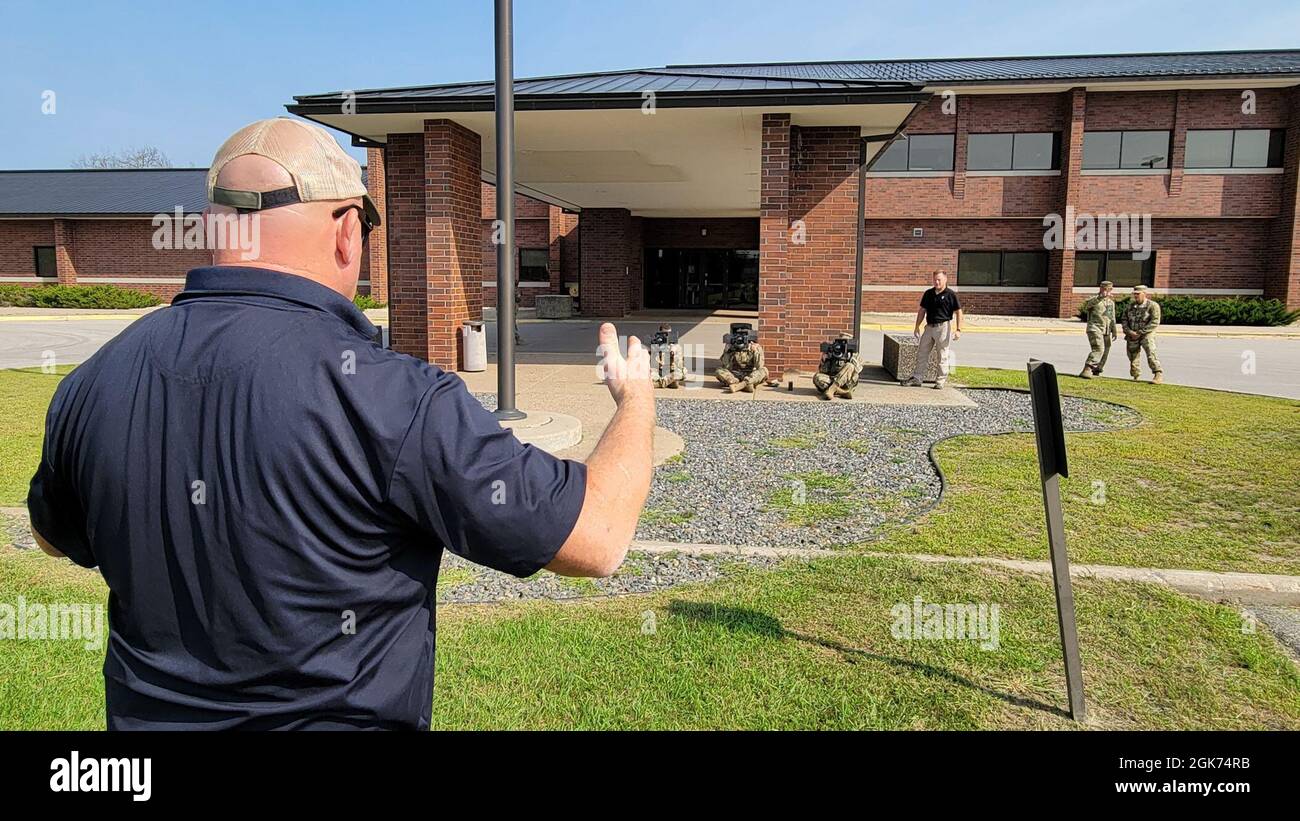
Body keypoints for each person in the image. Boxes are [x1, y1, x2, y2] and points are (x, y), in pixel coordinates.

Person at [26, 118, 655, 730]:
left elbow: (55, 538)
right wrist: (636, 401)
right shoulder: (395, 396)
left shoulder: (92, 380)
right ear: (347, 231)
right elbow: (595, 538)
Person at [902, 270, 963, 390]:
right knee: (922, 353)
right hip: (929, 327)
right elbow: (922, 310)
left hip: (943, 327)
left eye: (939, 279)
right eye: (935, 279)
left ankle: (940, 381)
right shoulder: (928, 293)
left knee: (942, 355)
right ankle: (917, 378)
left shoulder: (951, 295)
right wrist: (917, 326)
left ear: (945, 280)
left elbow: (959, 312)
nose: (936, 282)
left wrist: (958, 329)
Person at [1122, 284, 1163, 384]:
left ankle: (1158, 374)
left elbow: (1155, 322)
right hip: (1132, 335)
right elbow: (1124, 320)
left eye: (1138, 294)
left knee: (1151, 353)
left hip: (1146, 334)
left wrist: (1141, 332)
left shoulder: (1152, 306)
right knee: (1132, 355)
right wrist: (1129, 331)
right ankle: (1136, 375)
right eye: (1134, 294)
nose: (1136, 296)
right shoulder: (1130, 307)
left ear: (1144, 294)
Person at [1079, 280, 1117, 379]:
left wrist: (1114, 329)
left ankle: (1097, 369)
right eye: (1104, 288)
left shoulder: (1110, 303)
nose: (1106, 291)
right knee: (1098, 348)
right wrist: (1100, 297)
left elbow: (1111, 316)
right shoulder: (1094, 299)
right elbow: (1087, 306)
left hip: (1106, 330)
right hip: (1095, 328)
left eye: (1109, 289)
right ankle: (1087, 368)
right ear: (1100, 288)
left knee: (1106, 349)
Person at [715, 325, 768, 393]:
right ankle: (742, 385)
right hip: (735, 376)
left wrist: (756, 352)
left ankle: (742, 385)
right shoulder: (731, 347)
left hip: (750, 375)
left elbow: (759, 366)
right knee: (719, 370)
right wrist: (727, 352)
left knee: (764, 370)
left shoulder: (754, 347)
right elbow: (726, 366)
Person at [812, 332, 864, 400]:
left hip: (847, 383)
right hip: (832, 379)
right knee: (817, 377)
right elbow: (822, 371)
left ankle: (832, 389)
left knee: (850, 366)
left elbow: (857, 370)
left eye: (845, 343)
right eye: (840, 342)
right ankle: (841, 392)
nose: (842, 346)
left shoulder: (854, 355)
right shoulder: (831, 352)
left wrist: (851, 358)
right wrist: (825, 360)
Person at [650, 323, 685, 389]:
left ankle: (658, 384)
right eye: (664, 334)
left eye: (668, 334)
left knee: (677, 375)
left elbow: (679, 366)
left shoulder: (676, 347)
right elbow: (653, 364)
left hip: (670, 371)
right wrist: (655, 349)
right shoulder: (655, 344)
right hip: (658, 371)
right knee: (650, 375)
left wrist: (672, 353)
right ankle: (667, 382)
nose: (666, 336)